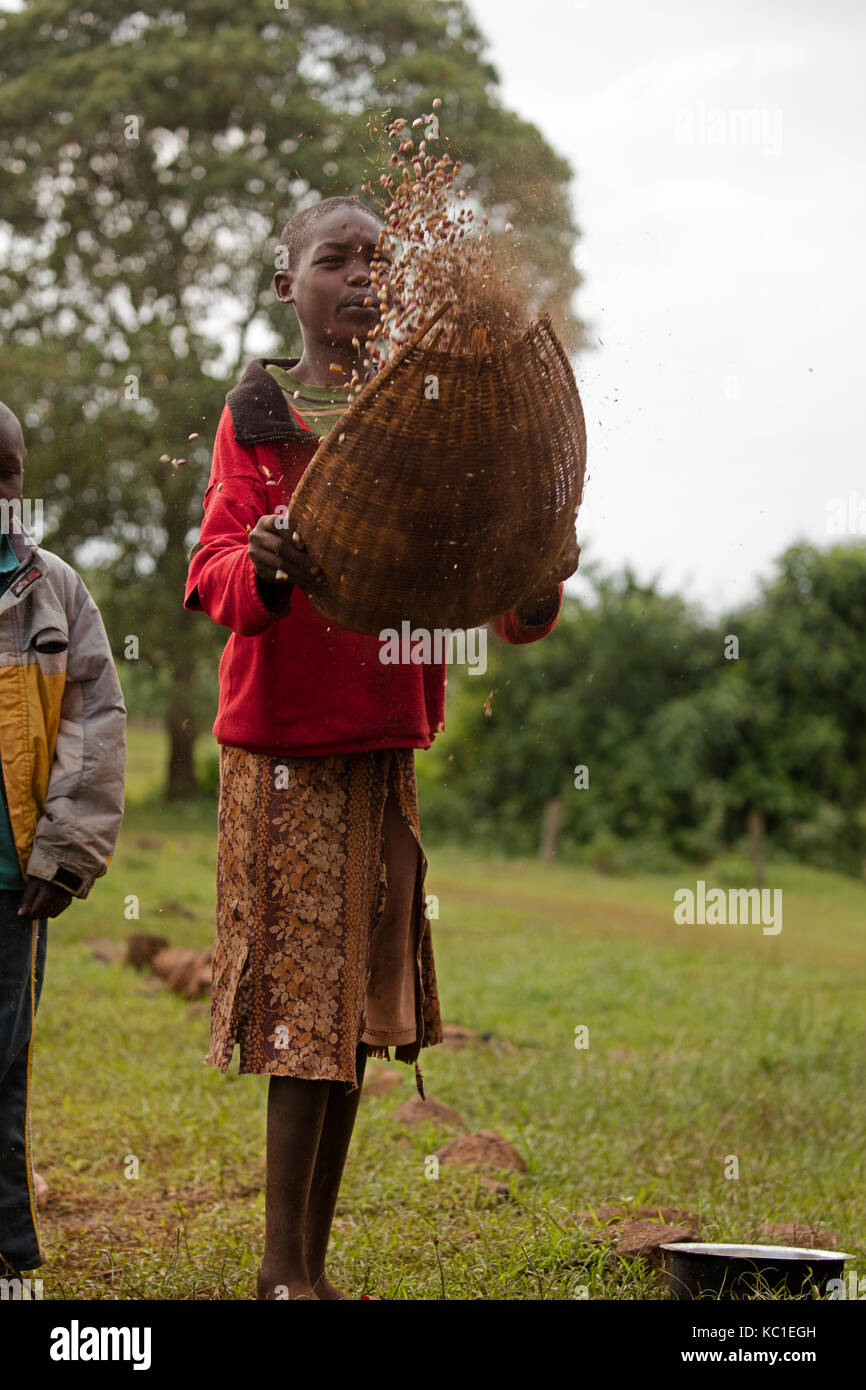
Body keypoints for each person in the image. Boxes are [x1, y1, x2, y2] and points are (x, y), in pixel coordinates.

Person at [184, 195, 571, 1301]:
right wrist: (261, 564)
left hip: (382, 747)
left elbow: (492, 584)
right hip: (286, 747)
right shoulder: (256, 414)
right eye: (332, 259)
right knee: (304, 1017)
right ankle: (278, 1269)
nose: (359, 277)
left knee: (354, 1014)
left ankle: (308, 1267)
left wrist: (537, 579)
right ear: (284, 283)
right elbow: (210, 570)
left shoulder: (428, 412)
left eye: (377, 259)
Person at [0, 400, 126, 1281]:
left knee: (4, 1064)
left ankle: (9, 1253)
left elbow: (94, 718)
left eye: (6, 472)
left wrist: (67, 851)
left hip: (12, 884)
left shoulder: (55, 592)